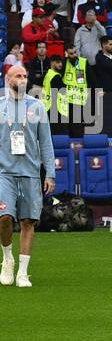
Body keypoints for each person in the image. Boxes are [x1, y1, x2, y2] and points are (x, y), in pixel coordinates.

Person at [0, 64, 54, 289]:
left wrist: (49, 173)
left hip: (31, 172)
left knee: (28, 221)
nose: (22, 79)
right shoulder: (0, 107)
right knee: (4, 218)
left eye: (25, 76)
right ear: (8, 78)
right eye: (18, 76)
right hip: (4, 172)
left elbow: (46, 142)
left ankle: (23, 272)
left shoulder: (37, 106)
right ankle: (7, 257)